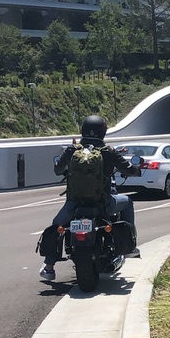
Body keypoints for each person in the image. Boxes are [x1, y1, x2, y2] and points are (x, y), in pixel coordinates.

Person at [39, 115, 141, 280]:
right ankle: (130, 246)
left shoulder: (73, 150)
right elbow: (129, 170)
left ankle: (49, 266)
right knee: (128, 202)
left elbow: (57, 170)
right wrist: (136, 169)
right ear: (103, 131)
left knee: (57, 227)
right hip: (103, 203)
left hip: (74, 204)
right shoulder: (108, 151)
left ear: (83, 130)